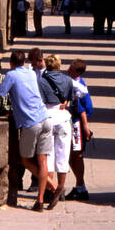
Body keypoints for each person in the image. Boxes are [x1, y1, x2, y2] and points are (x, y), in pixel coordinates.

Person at [0, 48, 54, 212]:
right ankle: (41, 199)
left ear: (11, 63)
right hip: (46, 119)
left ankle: (51, 186)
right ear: (24, 62)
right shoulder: (31, 73)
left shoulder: (11, 75)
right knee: (43, 160)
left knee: (24, 160)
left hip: (31, 123)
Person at [38, 54, 73, 209]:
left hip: (49, 115)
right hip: (63, 116)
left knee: (49, 155)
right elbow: (69, 98)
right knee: (63, 155)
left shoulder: (42, 80)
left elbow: (40, 100)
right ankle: (62, 189)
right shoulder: (67, 80)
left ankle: (50, 190)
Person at [65, 58, 93, 201]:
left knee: (76, 154)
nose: (68, 71)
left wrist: (85, 127)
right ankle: (79, 185)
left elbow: (82, 110)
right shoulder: (73, 83)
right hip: (74, 122)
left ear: (78, 72)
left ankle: (80, 186)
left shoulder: (78, 85)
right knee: (71, 155)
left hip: (77, 124)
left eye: (71, 70)